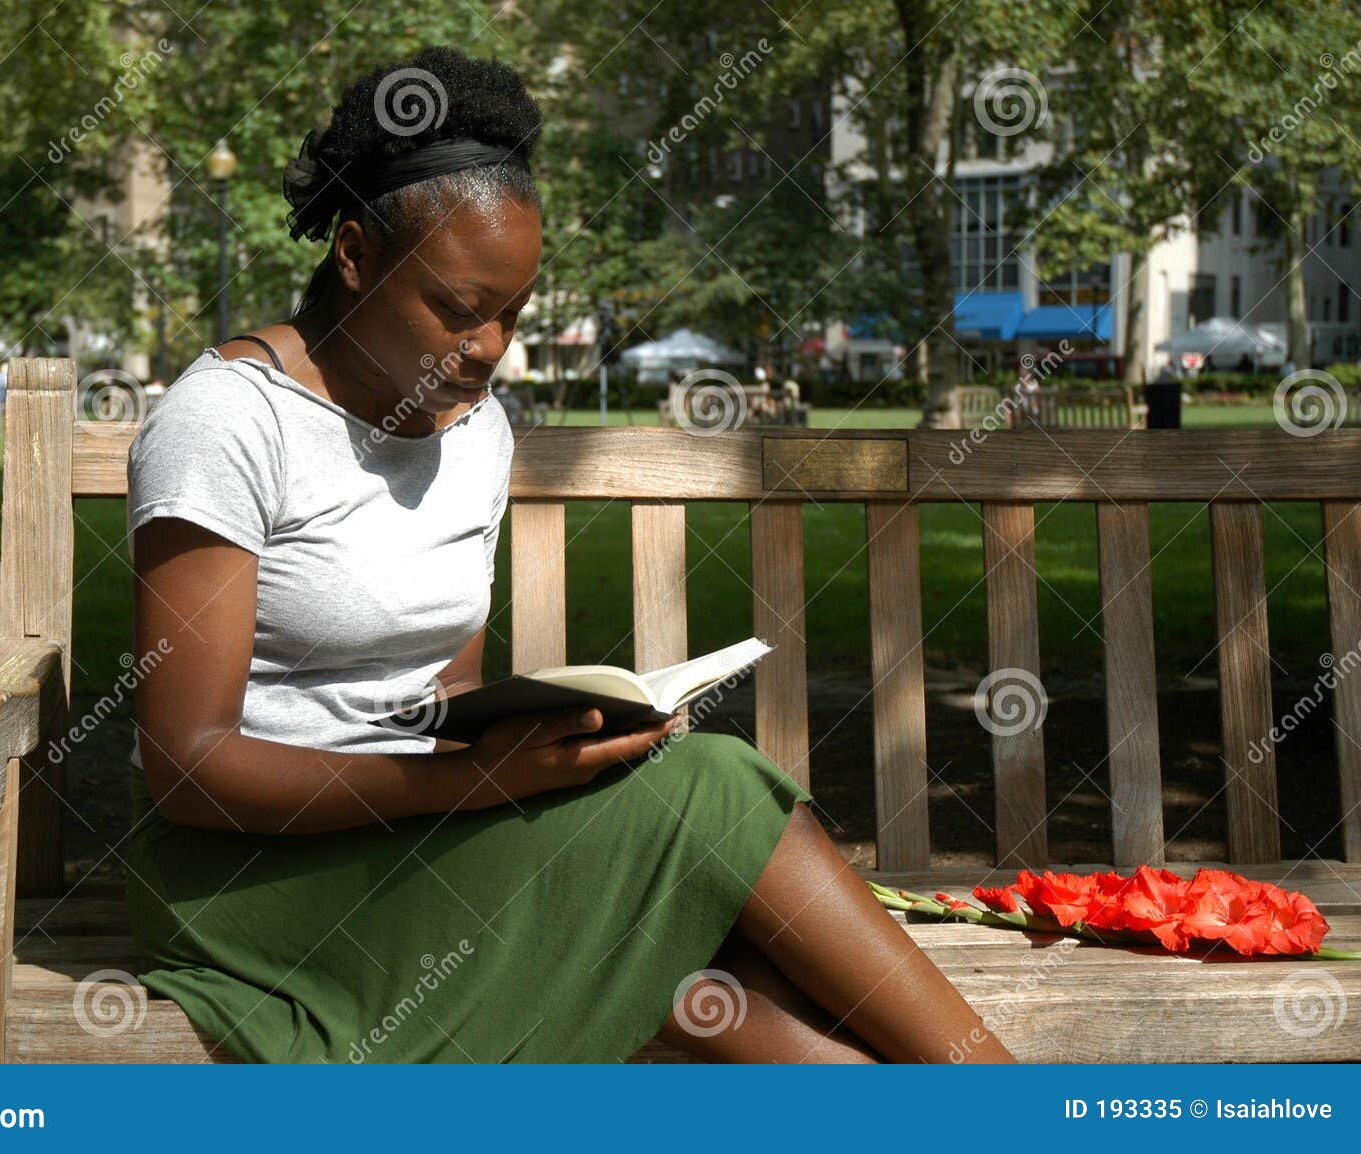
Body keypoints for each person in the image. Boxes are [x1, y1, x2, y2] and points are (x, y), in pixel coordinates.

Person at [122, 45, 1014, 1066]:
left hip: (422, 834)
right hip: (248, 879)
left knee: (705, 976)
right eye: (457, 309)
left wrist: (545, 745)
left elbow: (441, 701)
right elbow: (188, 764)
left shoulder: (473, 428)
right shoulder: (228, 421)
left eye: (512, 312)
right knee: (716, 788)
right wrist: (469, 790)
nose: (490, 345)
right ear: (357, 253)